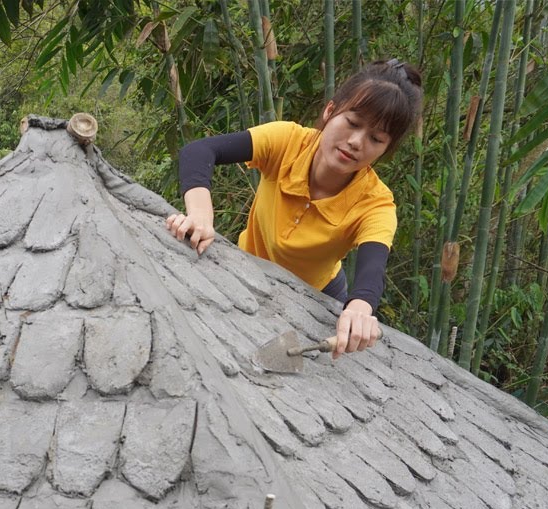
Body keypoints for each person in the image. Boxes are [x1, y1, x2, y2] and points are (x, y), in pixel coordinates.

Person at [166, 58, 423, 359]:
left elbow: (372, 267)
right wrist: (200, 215)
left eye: (375, 139)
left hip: (316, 296)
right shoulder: (288, 141)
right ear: (330, 111)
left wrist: (359, 308)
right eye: (352, 123)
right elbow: (199, 151)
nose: (356, 142)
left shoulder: (376, 204)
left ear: (385, 150)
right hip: (243, 267)